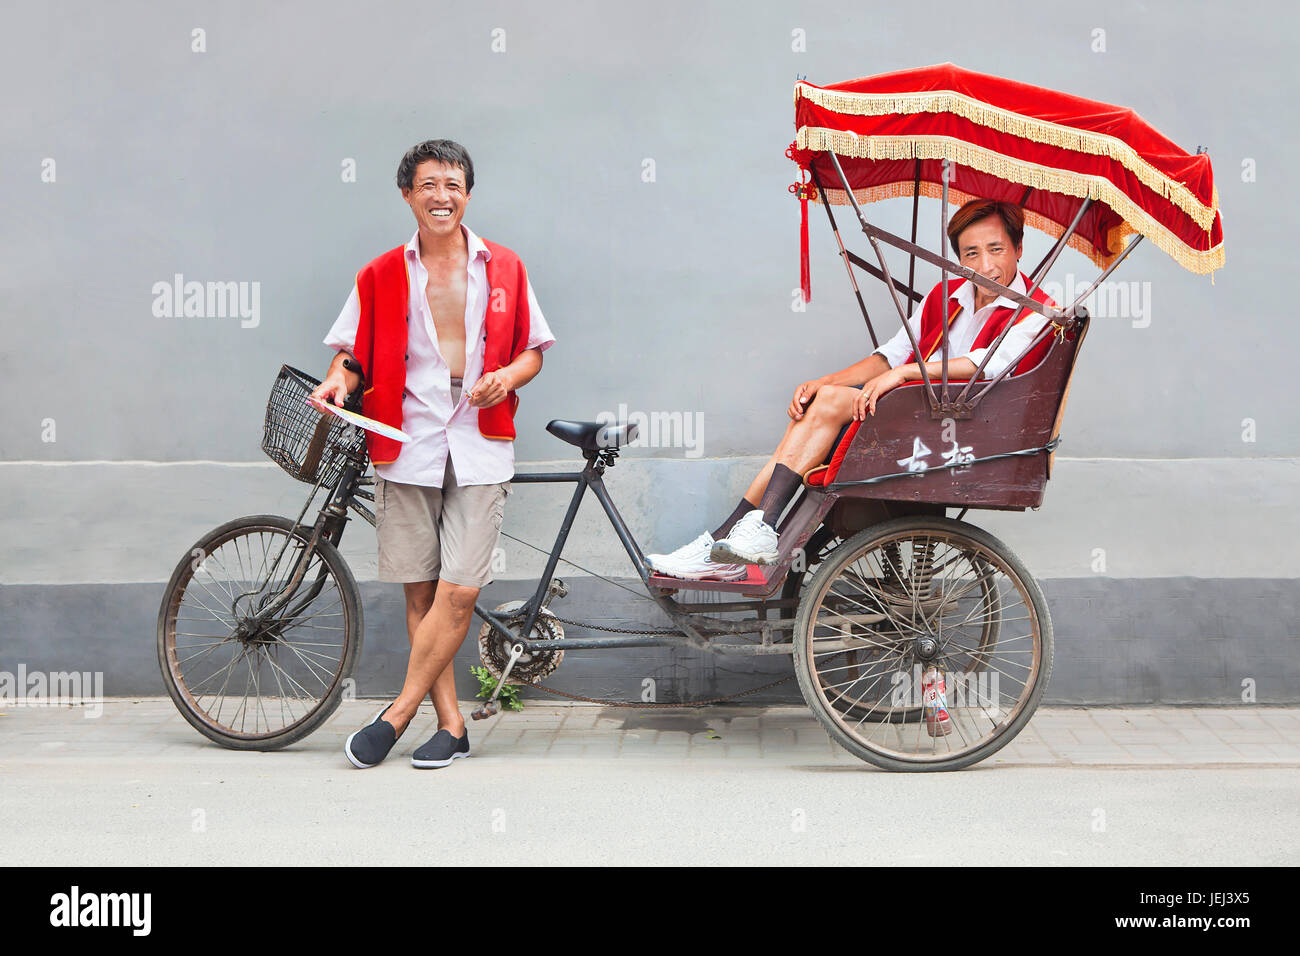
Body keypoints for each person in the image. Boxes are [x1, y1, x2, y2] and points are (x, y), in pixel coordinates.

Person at [646, 198, 1056, 581]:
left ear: (1018, 249)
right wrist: (827, 381)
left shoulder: (1037, 310)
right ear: (958, 257)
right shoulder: (945, 295)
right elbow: (889, 355)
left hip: (967, 429)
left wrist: (905, 374)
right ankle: (736, 536)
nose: (985, 266)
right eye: (971, 254)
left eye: (996, 250)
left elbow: (989, 362)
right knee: (817, 404)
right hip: (920, 413)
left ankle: (743, 534)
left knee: (829, 407)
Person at [310, 140, 555, 770]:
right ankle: (451, 726)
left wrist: (507, 377)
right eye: (428, 185)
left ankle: (394, 716)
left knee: (460, 591)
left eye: (453, 184)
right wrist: (339, 379)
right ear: (407, 195)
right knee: (420, 592)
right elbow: (349, 353)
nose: (441, 195)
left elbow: (533, 350)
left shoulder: (504, 267)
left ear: (467, 194)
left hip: (479, 435)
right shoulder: (379, 274)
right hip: (406, 436)